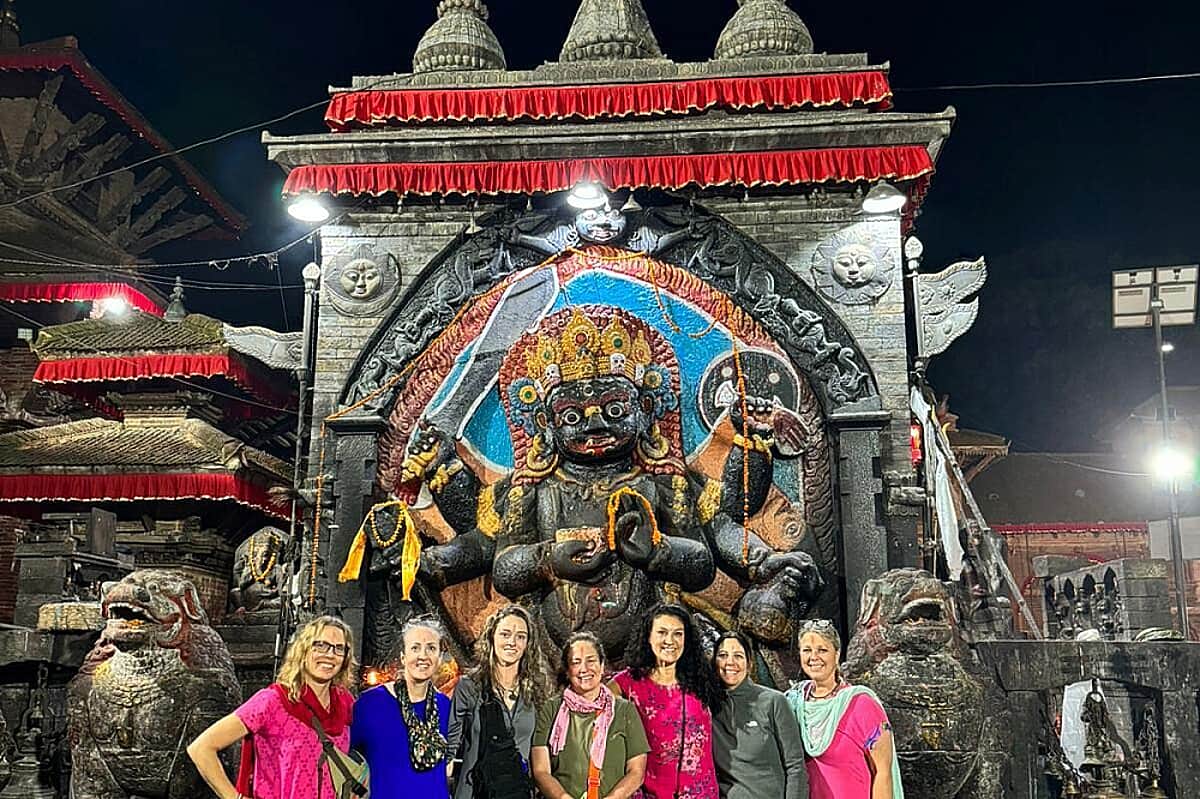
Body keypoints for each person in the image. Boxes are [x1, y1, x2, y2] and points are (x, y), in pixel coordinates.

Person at [187, 615, 357, 799]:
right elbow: (201, 748)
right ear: (304, 650)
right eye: (320, 645)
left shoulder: (346, 704)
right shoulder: (272, 701)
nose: (330, 654)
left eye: (339, 648)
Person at [784, 619, 903, 799]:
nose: (813, 657)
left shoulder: (861, 704)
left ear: (837, 653)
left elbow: (883, 772)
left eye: (822, 650)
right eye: (807, 650)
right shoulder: (793, 702)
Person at [612, 603, 720, 799]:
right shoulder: (629, 682)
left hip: (701, 793)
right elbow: (593, 702)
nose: (670, 640)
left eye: (678, 634)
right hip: (650, 793)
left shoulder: (701, 678)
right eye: (662, 632)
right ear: (648, 637)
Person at [449, 604, 550, 799]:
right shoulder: (469, 687)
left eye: (520, 636)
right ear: (491, 637)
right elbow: (450, 748)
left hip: (517, 792)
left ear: (528, 644)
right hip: (474, 792)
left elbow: (539, 755)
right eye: (505, 634)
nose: (512, 642)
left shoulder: (536, 691)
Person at [531, 632, 649, 799]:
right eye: (576, 662)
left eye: (591, 661)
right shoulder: (551, 708)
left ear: (602, 667)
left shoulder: (625, 710)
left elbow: (636, 772)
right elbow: (541, 770)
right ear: (567, 671)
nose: (584, 669)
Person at [353, 616, 453, 797]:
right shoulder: (371, 704)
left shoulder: (446, 707)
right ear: (403, 657)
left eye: (431, 648)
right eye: (415, 648)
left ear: (439, 658)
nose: (423, 656)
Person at [710, 631, 807, 799]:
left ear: (750, 664)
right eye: (723, 655)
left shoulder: (774, 701)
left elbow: (795, 766)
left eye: (738, 656)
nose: (730, 662)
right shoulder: (707, 707)